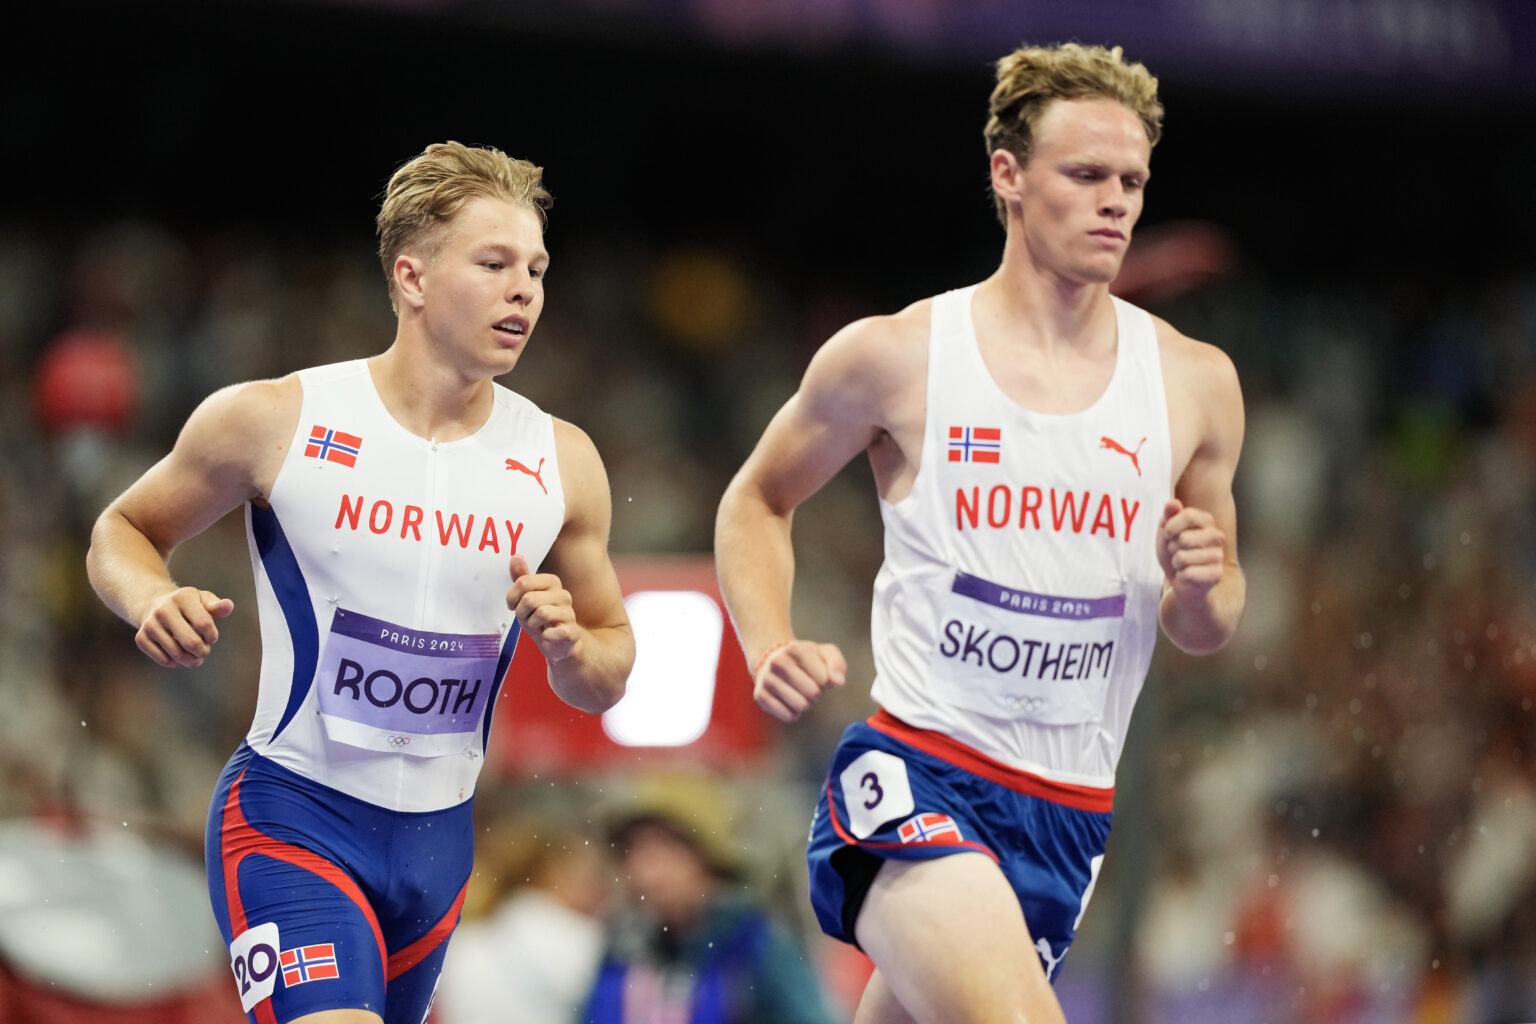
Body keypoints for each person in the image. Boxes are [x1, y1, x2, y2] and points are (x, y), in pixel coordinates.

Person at [714, 42, 1246, 1024]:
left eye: (1131, 180)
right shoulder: (899, 355)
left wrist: (1206, 586)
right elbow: (757, 498)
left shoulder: (1195, 381)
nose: (1115, 202)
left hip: (1069, 815)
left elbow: (1205, 625)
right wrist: (769, 638)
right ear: (1008, 175)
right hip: (917, 776)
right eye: (1085, 175)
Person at [85, 141, 635, 1024]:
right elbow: (123, 528)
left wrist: (570, 646)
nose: (524, 289)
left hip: (439, 850)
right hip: (292, 819)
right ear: (412, 279)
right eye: (493, 264)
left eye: (535, 267)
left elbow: (608, 671)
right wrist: (152, 597)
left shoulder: (562, 459)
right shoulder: (275, 420)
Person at [580, 772, 841, 1024]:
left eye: (663, 851)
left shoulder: (754, 944)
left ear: (708, 860)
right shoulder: (623, 946)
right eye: (633, 851)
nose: (644, 873)